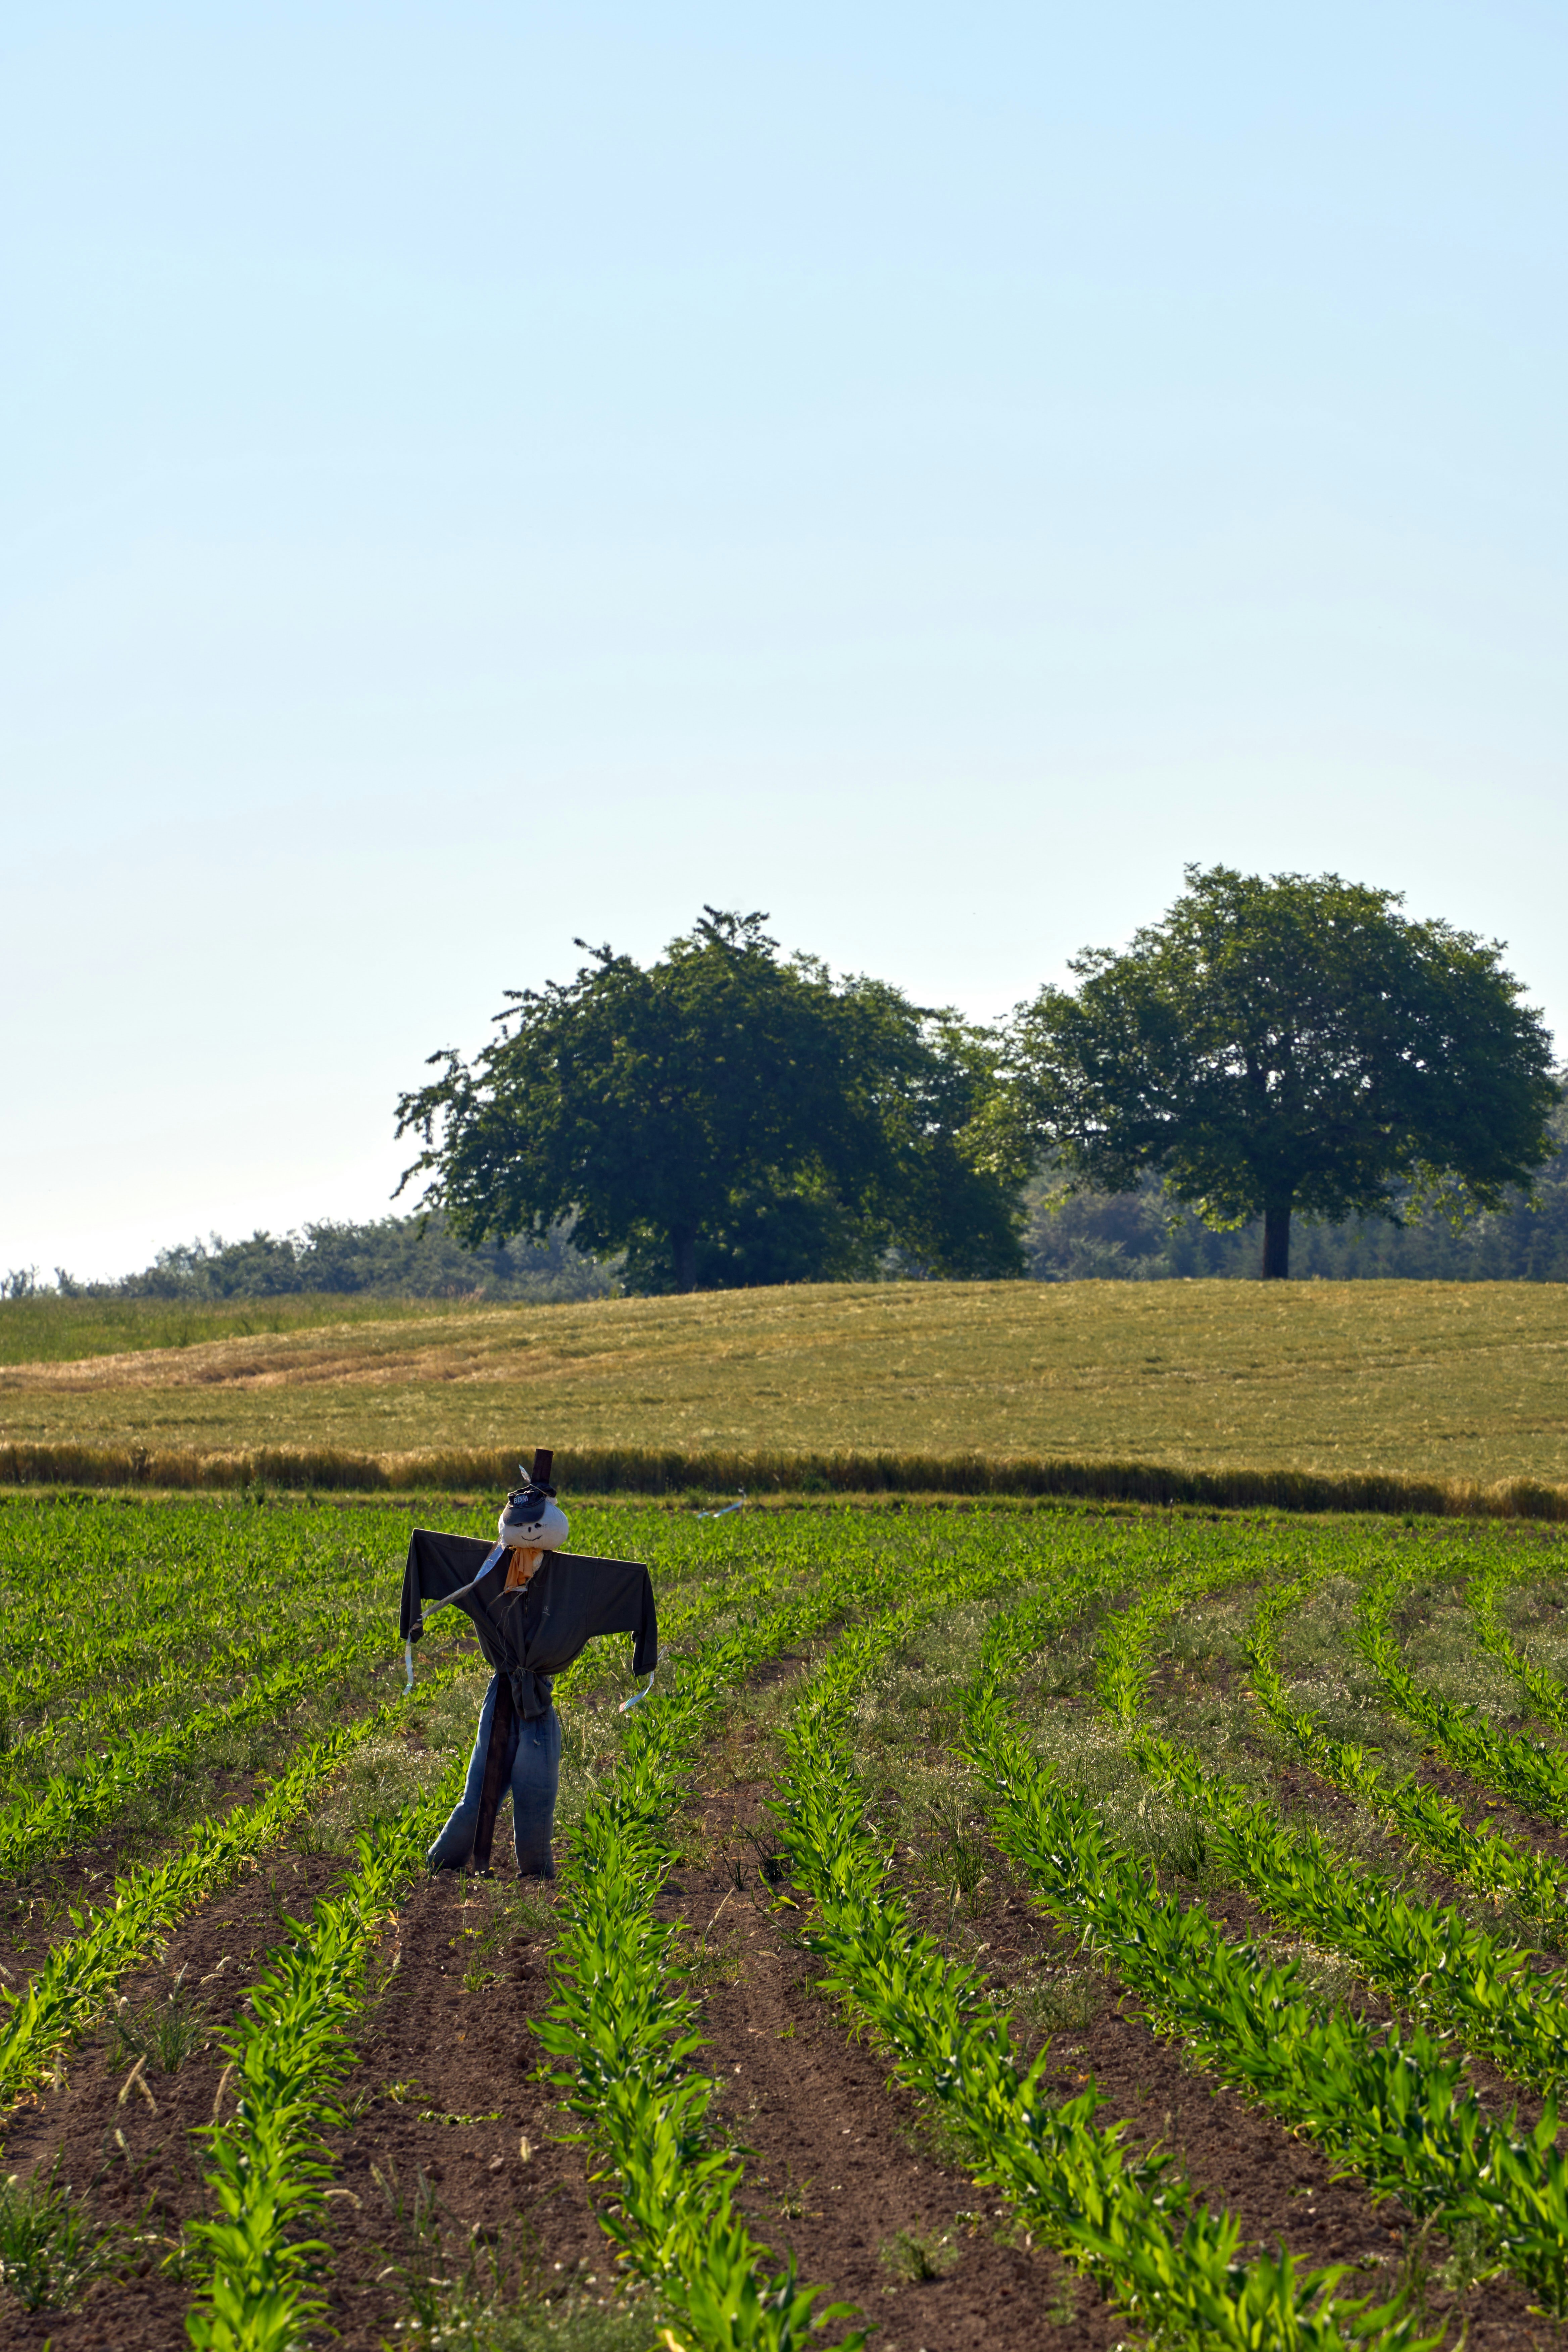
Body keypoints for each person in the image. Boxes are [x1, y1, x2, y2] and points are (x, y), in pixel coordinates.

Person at [401, 1451, 656, 1880]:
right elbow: (428, 1550)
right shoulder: (487, 1568)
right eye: (525, 1524)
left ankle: (535, 1870)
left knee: (536, 1789)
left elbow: (633, 1585)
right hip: (503, 1692)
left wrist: (643, 1655)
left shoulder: (574, 1577)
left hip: (534, 1696)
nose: (533, 1532)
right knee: (481, 1786)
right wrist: (412, 1622)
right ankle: (445, 1863)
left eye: (540, 1524)